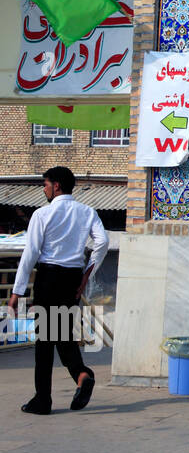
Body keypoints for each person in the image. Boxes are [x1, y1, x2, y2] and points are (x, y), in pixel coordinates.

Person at [6, 167, 108, 414]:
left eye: (46, 184)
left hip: (49, 278)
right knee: (61, 334)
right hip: (72, 279)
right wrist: (86, 276)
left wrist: (16, 292)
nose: (44, 189)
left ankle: (43, 400)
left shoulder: (42, 214)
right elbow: (102, 241)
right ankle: (82, 375)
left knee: (44, 342)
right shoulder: (87, 212)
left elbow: (30, 254)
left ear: (57, 186)